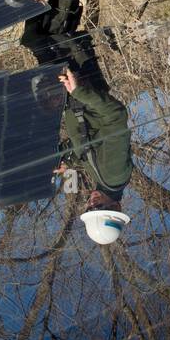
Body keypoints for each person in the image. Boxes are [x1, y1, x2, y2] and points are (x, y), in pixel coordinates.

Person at [54, 58, 133, 244]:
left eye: (89, 209)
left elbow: (87, 146)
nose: (91, 203)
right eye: (99, 206)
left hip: (72, 87)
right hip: (77, 77)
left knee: (36, 37)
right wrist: (79, 91)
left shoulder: (104, 181)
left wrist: (68, 161)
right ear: (116, 205)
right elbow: (116, 116)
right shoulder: (114, 175)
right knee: (38, 37)